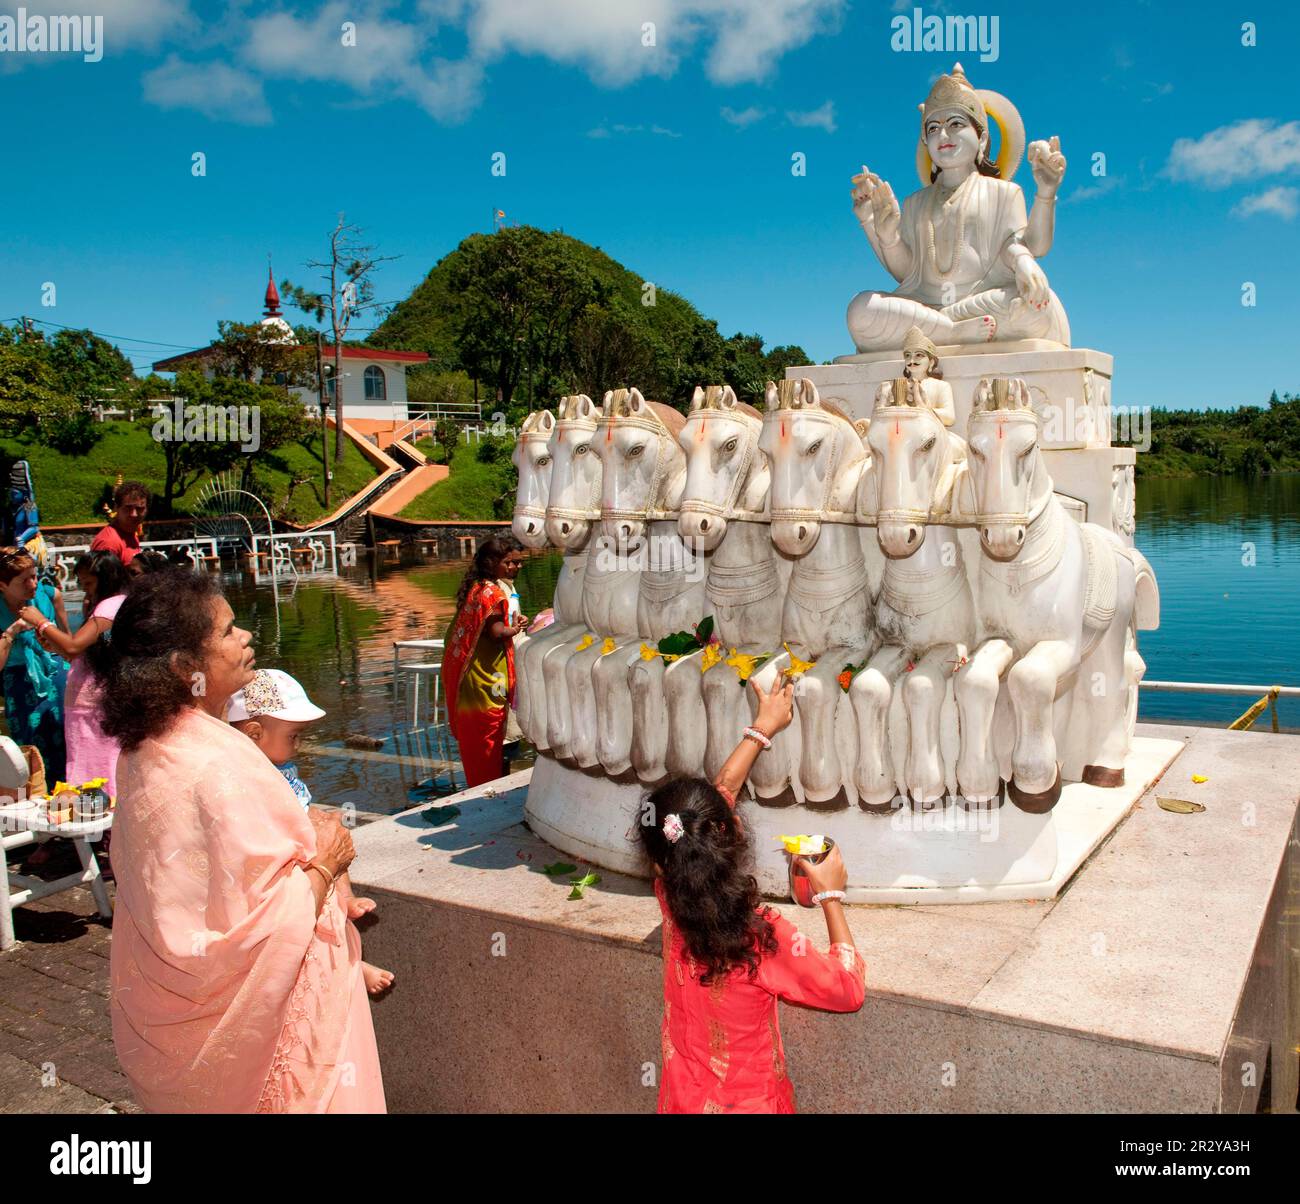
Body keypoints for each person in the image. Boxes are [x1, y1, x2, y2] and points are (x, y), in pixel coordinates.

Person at [90, 569, 385, 1113]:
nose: (246, 637)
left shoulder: (146, 749)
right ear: (185, 668)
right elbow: (254, 931)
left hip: (177, 1018)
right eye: (227, 631)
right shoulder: (212, 762)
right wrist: (325, 864)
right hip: (277, 1036)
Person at [638, 677, 867, 1114]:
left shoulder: (671, 897)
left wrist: (761, 730)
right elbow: (846, 989)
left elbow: (708, 807)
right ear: (734, 834)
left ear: (658, 863)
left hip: (682, 1101)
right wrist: (830, 894)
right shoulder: (760, 935)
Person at [227, 668, 395, 997]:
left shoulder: (279, 768)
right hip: (294, 868)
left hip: (309, 851)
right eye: (293, 736)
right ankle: (350, 965)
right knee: (316, 915)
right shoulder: (248, 778)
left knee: (337, 866)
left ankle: (347, 905)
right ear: (253, 733)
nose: (300, 744)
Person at [33, 551, 129, 800]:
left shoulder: (110, 605)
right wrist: (55, 645)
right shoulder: (115, 604)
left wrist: (42, 622)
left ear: (105, 578)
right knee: (92, 769)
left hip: (92, 707)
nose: (86, 592)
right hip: (89, 703)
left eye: (89, 584)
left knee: (96, 772)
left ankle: (101, 832)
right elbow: (79, 653)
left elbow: (75, 646)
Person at [441, 536, 527, 787]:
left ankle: (481, 785)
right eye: (510, 563)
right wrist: (517, 627)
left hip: (473, 680)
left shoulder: (477, 587)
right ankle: (491, 790)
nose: (516, 567)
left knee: (478, 742)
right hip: (486, 683)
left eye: (518, 563)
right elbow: (497, 632)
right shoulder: (493, 592)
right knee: (490, 741)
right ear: (492, 563)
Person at [0, 547, 70, 783]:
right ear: (3, 585)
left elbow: (69, 645)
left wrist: (45, 630)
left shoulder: (48, 596)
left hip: (54, 672)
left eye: (34, 576)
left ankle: (69, 796)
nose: (33, 584)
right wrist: (12, 631)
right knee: (30, 746)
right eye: (24, 580)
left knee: (65, 735)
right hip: (19, 682)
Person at [90, 481, 149, 567]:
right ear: (116, 508)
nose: (134, 514)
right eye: (128, 508)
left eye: (140, 509)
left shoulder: (130, 533)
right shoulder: (109, 543)